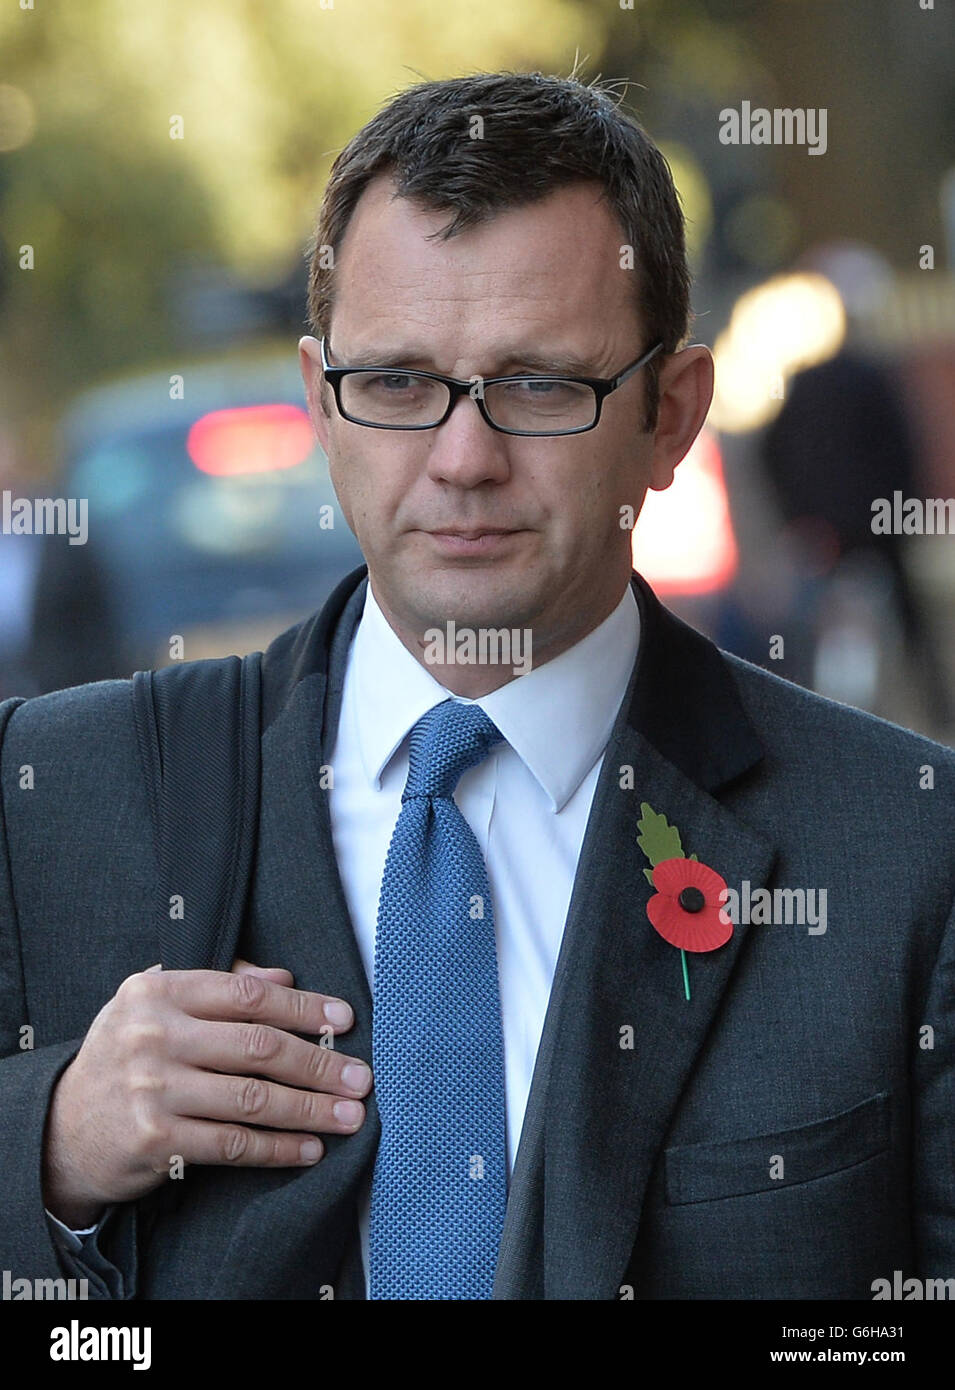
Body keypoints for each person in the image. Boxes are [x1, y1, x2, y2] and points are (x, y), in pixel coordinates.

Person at [1, 69, 953, 1302]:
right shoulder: (51, 802)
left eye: (539, 385)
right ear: (317, 402)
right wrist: (52, 1142)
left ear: (670, 417)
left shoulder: (907, 847)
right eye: (395, 384)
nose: (462, 459)